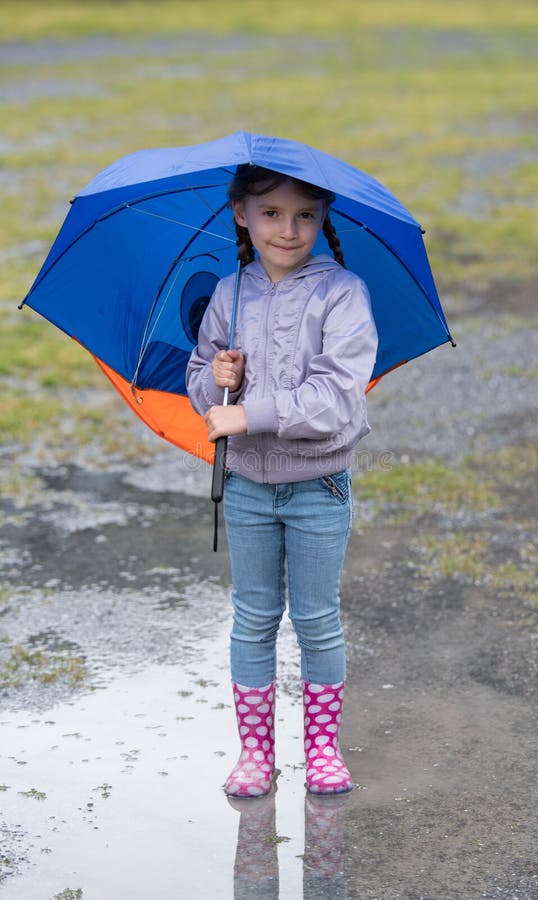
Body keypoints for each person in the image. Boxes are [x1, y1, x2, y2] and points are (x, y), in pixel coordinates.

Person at [186, 164, 378, 797]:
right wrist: (219, 379)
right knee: (254, 617)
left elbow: (337, 399)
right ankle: (255, 754)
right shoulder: (227, 294)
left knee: (318, 618)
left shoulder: (342, 293)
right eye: (271, 213)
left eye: (305, 215)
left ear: (322, 217)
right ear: (242, 214)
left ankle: (322, 749)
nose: (289, 229)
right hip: (244, 486)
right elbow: (201, 389)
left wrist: (252, 410)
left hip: (318, 487)